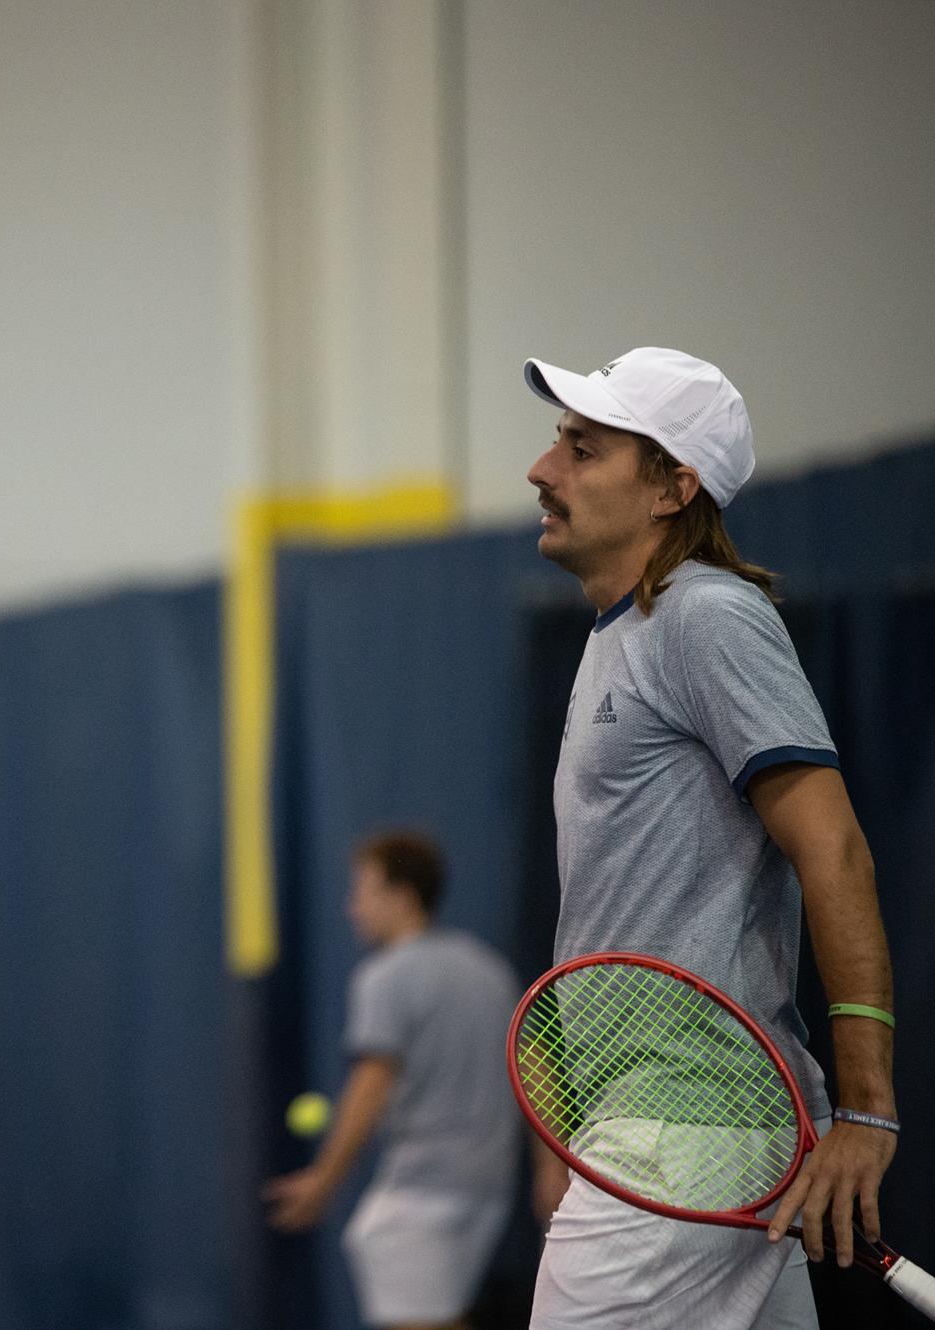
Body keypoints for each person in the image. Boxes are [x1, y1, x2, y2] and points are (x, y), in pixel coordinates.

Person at [521, 346, 896, 1329]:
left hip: (682, 1130)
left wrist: (865, 1109)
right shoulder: (620, 634)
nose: (539, 469)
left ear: (669, 487)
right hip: (673, 1128)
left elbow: (834, 849)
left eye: (580, 447)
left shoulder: (705, 616)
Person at [265, 831, 524, 1330]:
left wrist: (324, 1179)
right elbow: (532, 1066)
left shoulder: (382, 977)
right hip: (489, 1188)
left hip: (421, 1189)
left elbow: (371, 1084)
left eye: (362, 890)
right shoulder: (489, 969)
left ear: (401, 896)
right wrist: (549, 1169)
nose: (351, 907)